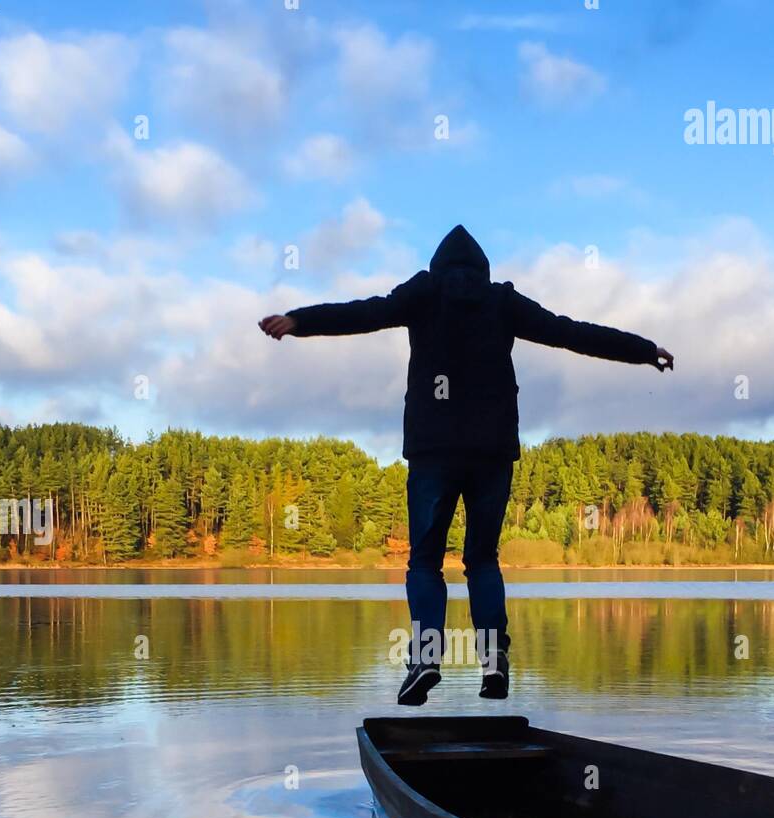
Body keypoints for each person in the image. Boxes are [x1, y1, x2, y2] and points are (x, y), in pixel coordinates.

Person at [259, 225, 673, 704]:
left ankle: (426, 659)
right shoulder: (502, 303)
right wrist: (644, 350)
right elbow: (571, 333)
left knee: (426, 561)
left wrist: (299, 320)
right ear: (483, 270)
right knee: (482, 560)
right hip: (491, 452)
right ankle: (493, 662)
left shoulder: (422, 294)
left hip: (433, 449)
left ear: (438, 268)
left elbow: (364, 313)